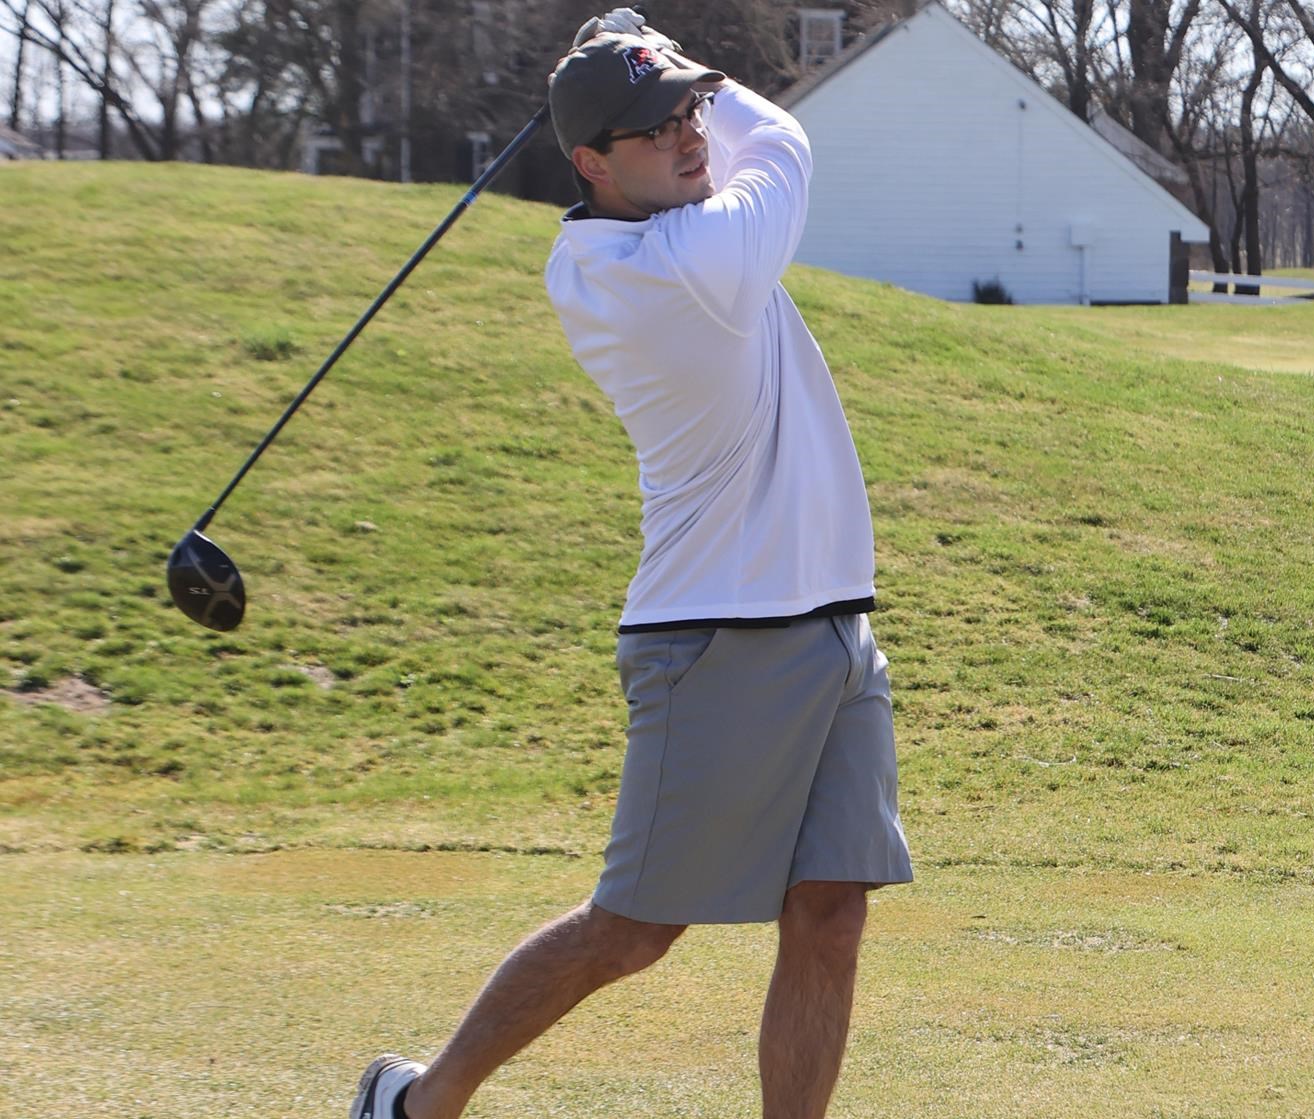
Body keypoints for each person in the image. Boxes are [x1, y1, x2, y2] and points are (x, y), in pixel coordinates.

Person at [350, 10, 913, 1119]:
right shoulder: (676, 266)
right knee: (635, 929)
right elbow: (787, 147)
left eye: (693, 108)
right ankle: (420, 1101)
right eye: (654, 127)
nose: (690, 136)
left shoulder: (668, 225)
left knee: (831, 914)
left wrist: (658, 67)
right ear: (591, 163)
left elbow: (736, 147)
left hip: (835, 623)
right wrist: (650, 33)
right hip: (719, 640)